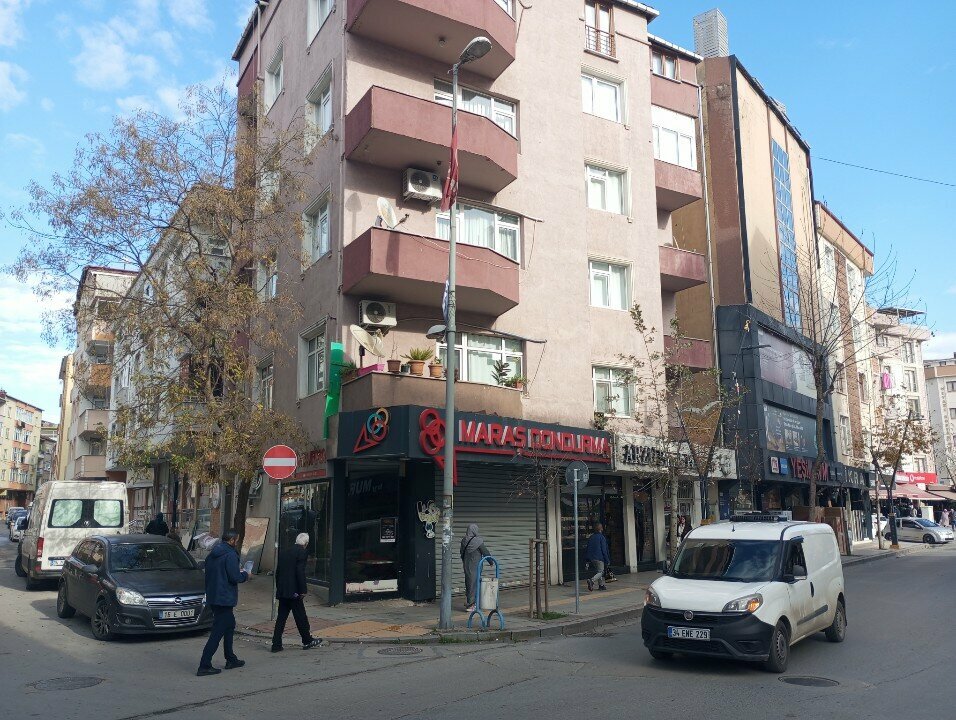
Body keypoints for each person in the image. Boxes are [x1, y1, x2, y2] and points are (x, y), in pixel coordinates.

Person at [197, 529, 248, 677]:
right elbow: (235, 577)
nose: (237, 542)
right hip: (224, 598)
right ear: (232, 541)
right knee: (217, 632)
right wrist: (245, 575)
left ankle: (231, 658)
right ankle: (204, 664)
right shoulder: (230, 555)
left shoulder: (213, 553)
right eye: (236, 540)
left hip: (214, 596)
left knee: (229, 625)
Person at [272, 533, 323, 653]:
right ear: (305, 543)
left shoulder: (284, 552)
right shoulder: (302, 552)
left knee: (281, 618)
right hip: (294, 592)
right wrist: (303, 590)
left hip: (284, 591)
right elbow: (300, 572)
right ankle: (307, 640)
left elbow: (278, 572)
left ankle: (276, 644)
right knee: (301, 616)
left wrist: (280, 588)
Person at [460, 524, 490, 612]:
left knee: (469, 583)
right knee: (474, 583)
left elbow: (461, 552)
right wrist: (491, 561)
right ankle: (471, 605)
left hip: (466, 565)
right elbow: (485, 552)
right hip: (476, 565)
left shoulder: (464, 540)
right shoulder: (478, 541)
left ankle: (470, 602)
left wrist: (465, 561)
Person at [585, 523, 610, 592]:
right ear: (601, 529)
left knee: (598, 571)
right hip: (599, 558)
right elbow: (604, 550)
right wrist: (607, 560)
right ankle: (591, 581)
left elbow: (588, 548)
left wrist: (587, 560)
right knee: (601, 572)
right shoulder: (601, 537)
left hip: (592, 558)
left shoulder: (591, 537)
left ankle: (601, 585)